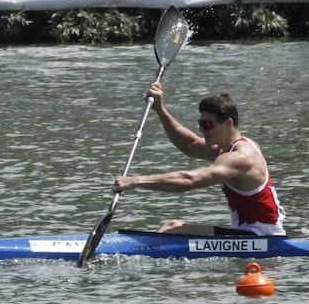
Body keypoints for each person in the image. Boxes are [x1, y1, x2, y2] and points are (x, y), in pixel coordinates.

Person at [111, 81, 286, 236]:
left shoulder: (241, 157)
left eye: (208, 125)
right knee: (173, 225)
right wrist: (161, 111)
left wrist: (135, 181)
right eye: (201, 124)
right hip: (245, 233)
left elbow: (189, 180)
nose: (203, 129)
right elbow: (190, 145)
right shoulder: (226, 148)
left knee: (176, 230)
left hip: (261, 238)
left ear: (229, 123)